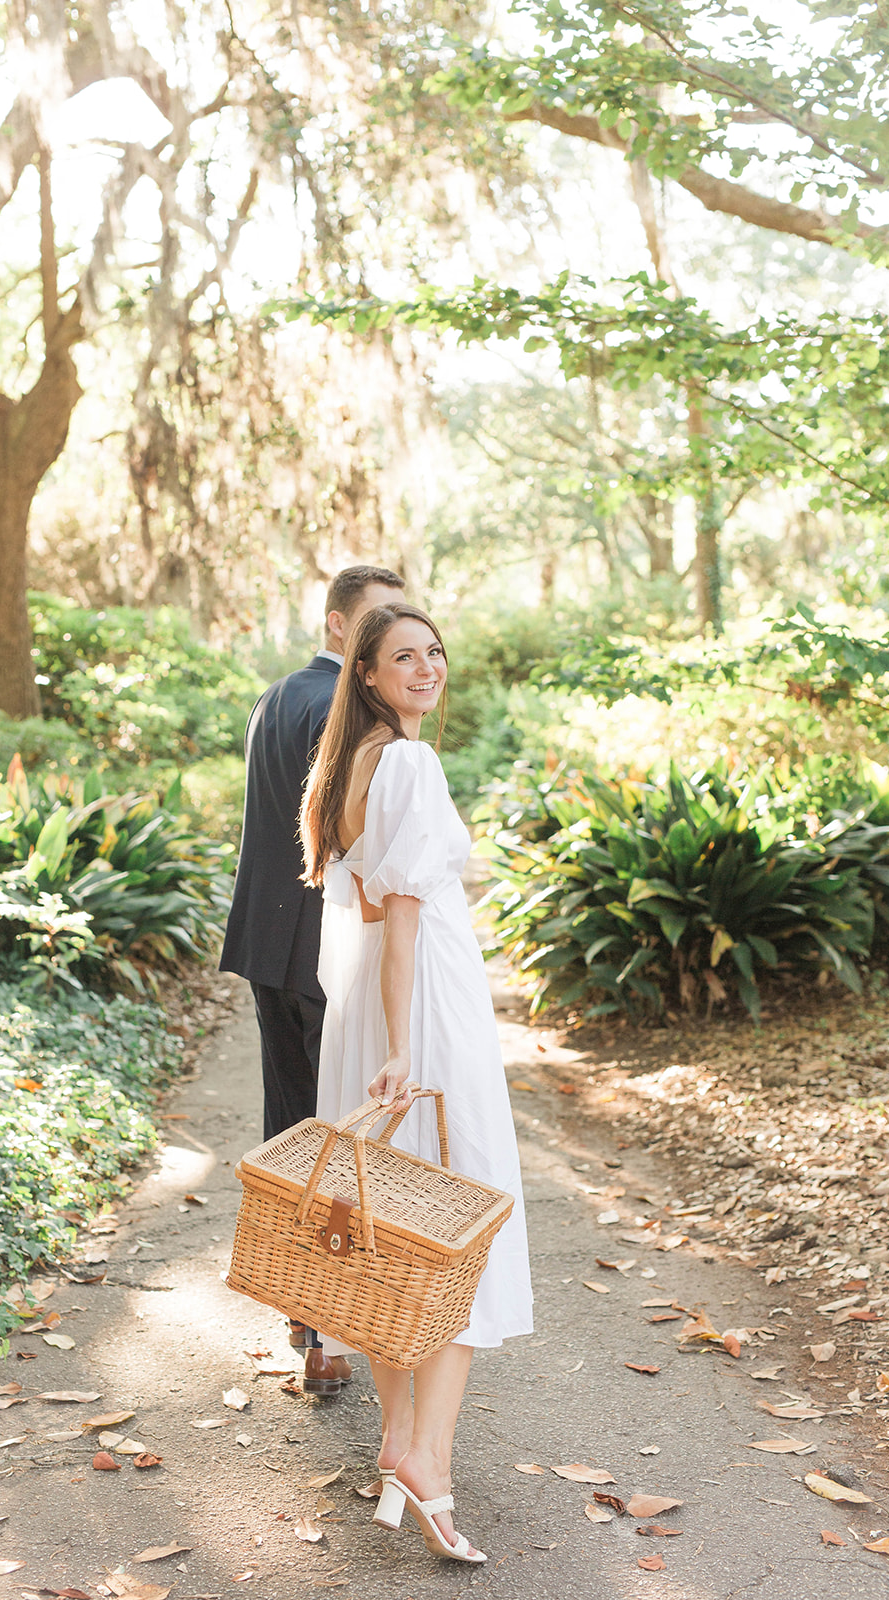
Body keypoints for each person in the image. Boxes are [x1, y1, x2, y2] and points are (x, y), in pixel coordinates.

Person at [300, 601, 532, 1564]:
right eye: (404, 656)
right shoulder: (406, 762)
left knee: (391, 1234)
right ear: (365, 673)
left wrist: (370, 1033)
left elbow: (357, 918)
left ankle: (401, 1440)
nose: (426, 667)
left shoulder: (350, 766)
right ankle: (426, 1461)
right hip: (423, 1006)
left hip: (373, 1003)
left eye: (434, 651)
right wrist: (403, 1045)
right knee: (458, 1224)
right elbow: (398, 915)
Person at [220, 564, 404, 1394]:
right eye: (376, 621)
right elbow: (358, 842)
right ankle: (327, 1326)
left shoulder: (272, 698)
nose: (391, 638)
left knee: (293, 1122)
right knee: (345, 1137)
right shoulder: (349, 708)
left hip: (267, 941)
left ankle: (304, 1314)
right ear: (338, 627)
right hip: (330, 949)